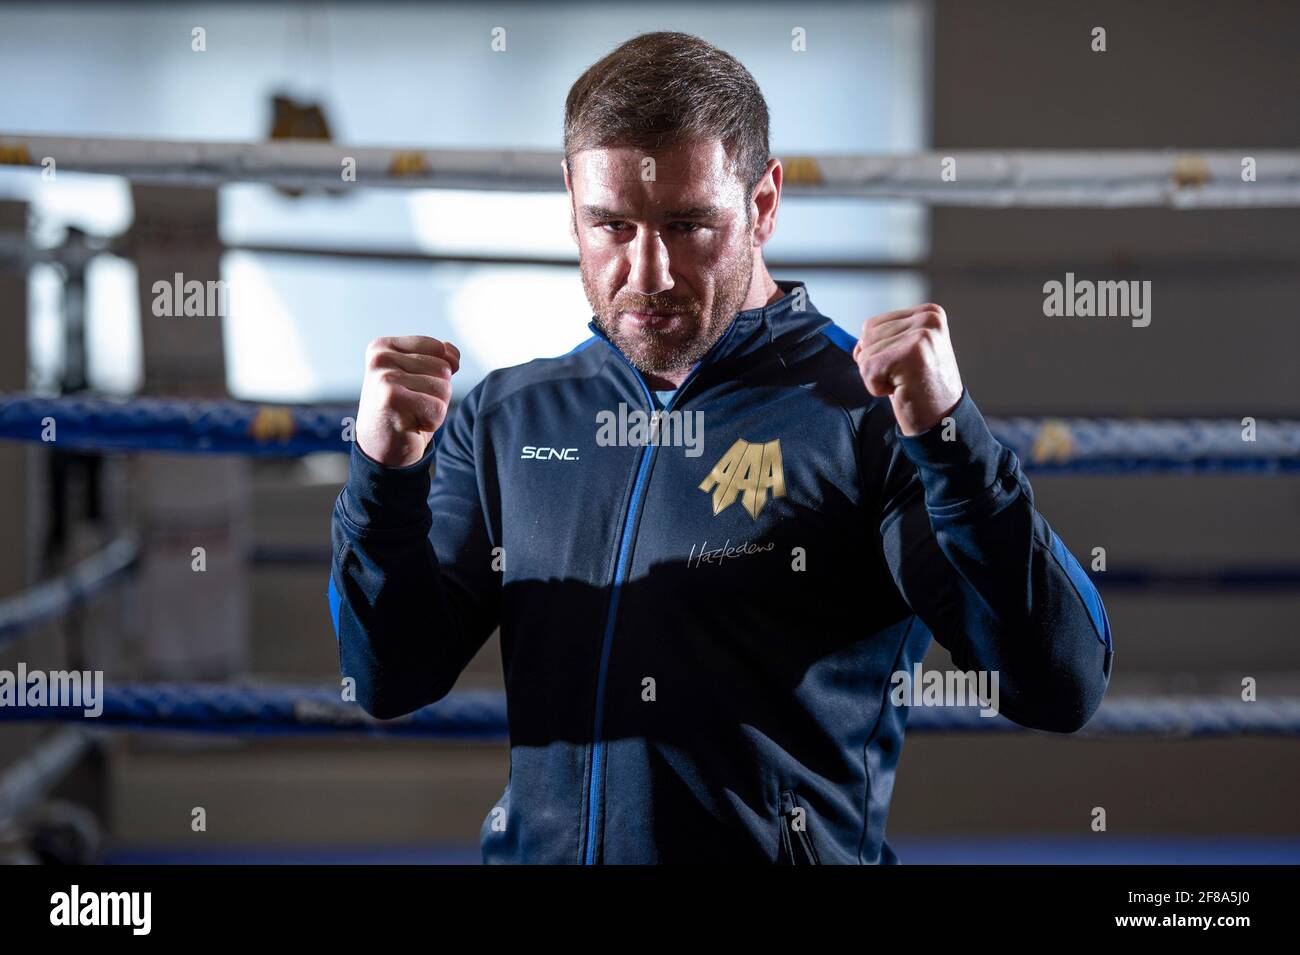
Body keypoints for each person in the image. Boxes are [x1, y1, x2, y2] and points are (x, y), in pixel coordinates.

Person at [328, 31, 1113, 864]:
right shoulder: (512, 418)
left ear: (763, 204)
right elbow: (390, 678)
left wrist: (954, 443)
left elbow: (1062, 684)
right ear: (571, 201)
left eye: (689, 225)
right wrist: (383, 479)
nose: (648, 272)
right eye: (611, 225)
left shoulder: (865, 418)